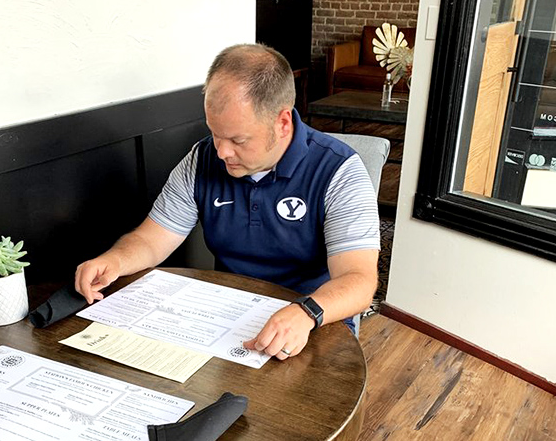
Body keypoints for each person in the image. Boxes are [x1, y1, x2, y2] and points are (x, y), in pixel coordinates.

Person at [75, 43, 380, 360]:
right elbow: (152, 240)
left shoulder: (339, 171)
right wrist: (115, 261)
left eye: (238, 139)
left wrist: (307, 311)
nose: (221, 152)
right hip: (226, 321)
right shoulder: (202, 159)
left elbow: (359, 280)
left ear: (283, 122)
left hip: (315, 322)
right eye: (215, 133)